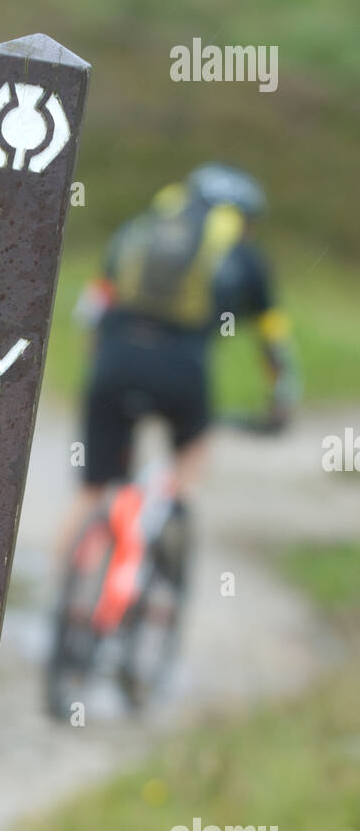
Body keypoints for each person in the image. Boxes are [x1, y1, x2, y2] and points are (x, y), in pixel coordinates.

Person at [59, 163, 301, 561]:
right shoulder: (246, 258)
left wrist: (98, 362)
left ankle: (71, 605)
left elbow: (91, 310)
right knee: (193, 449)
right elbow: (274, 342)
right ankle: (166, 543)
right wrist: (281, 400)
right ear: (243, 218)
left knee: (92, 491)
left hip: (115, 361)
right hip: (182, 371)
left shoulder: (136, 233)